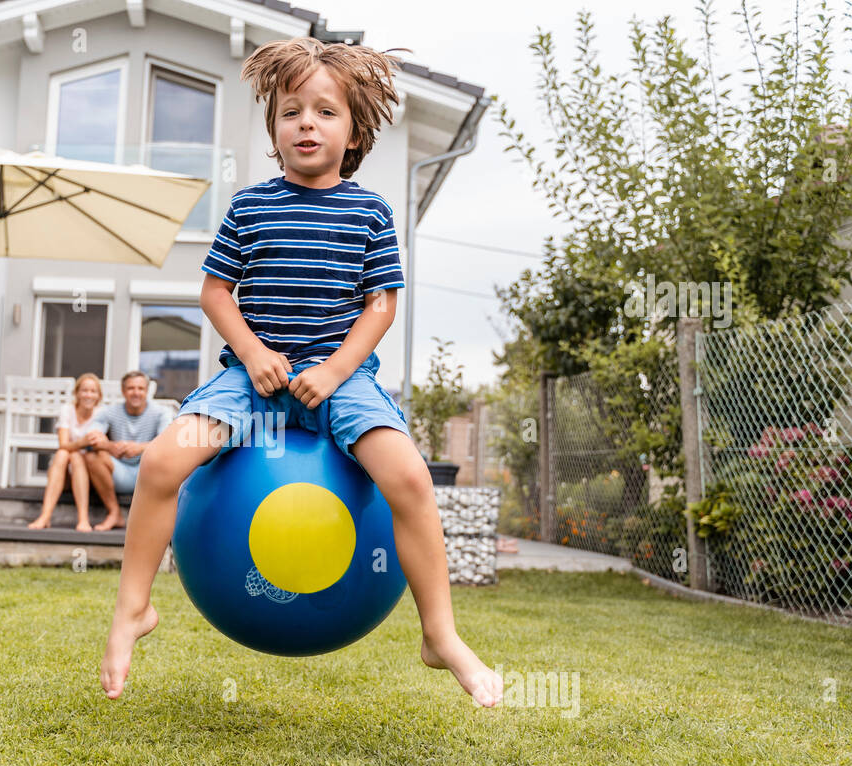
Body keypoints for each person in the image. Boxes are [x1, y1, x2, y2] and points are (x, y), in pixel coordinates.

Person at [99, 36, 503, 707]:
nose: (306, 123)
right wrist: (254, 353)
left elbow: (381, 305)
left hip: (341, 383)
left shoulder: (370, 213)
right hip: (250, 385)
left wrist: (339, 369)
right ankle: (132, 610)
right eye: (291, 112)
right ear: (274, 131)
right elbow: (215, 293)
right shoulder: (250, 207)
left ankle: (440, 634)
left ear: (354, 133)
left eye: (324, 112)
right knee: (164, 462)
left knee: (409, 477)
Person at [82, 371, 173, 531]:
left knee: (167, 459)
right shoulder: (110, 411)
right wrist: (111, 446)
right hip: (118, 471)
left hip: (147, 472)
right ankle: (114, 513)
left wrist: (140, 448)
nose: (136, 392)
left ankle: (153, 519)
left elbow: (167, 443)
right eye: (131, 388)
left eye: (140, 388)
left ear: (147, 391)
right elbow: (91, 438)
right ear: (123, 391)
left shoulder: (161, 412)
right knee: (92, 456)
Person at [27, 373, 103, 532]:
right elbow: (63, 444)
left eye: (93, 391)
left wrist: (75, 447)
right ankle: (45, 516)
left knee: (74, 455)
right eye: (84, 390)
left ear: (99, 396)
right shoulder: (67, 410)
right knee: (64, 454)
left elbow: (97, 446)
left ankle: (83, 518)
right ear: (77, 393)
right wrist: (81, 443)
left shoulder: (102, 414)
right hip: (65, 472)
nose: (88, 395)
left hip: (89, 474)